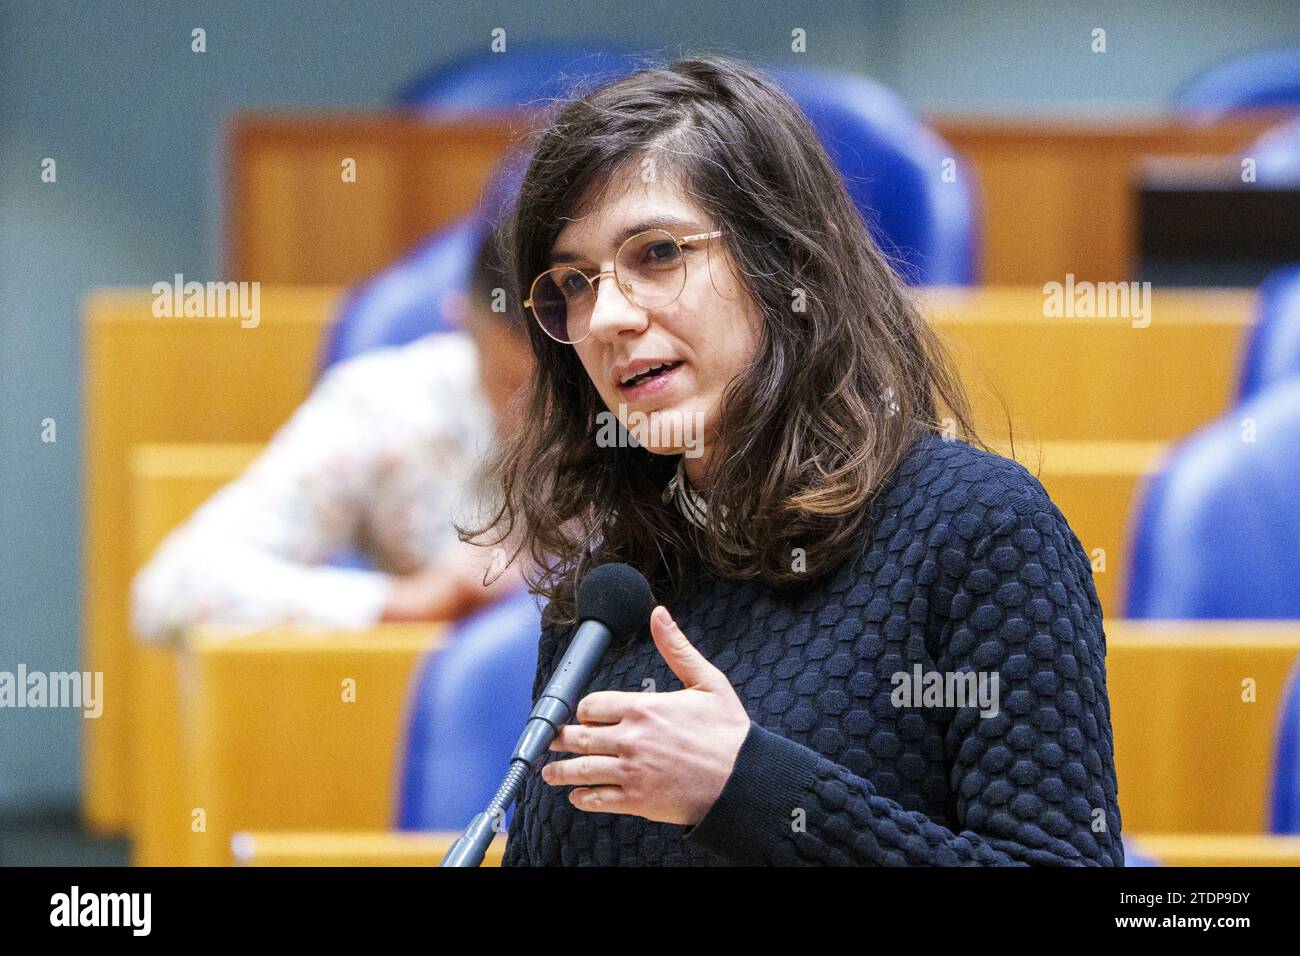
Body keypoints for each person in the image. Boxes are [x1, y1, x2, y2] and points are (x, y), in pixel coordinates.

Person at [467, 55, 1124, 866]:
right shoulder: (609, 596)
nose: (605, 316)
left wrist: (745, 786)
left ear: (779, 261)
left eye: (658, 253)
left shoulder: (978, 534)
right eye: (574, 281)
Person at [131, 220, 534, 641]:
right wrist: (407, 602)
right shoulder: (387, 406)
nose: (543, 418)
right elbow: (173, 588)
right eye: (513, 386)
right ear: (459, 319)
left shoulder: (609, 414)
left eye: (566, 390)